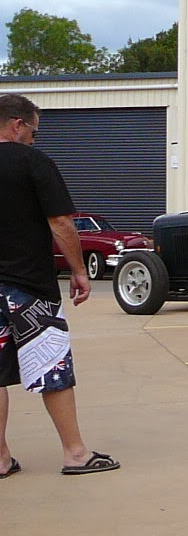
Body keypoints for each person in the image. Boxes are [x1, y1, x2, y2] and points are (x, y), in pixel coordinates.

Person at [0, 93, 120, 478]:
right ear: (17, 125)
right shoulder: (33, 162)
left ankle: (0, 460)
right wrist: (80, 271)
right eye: (34, 132)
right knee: (51, 365)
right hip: (29, 286)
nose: (35, 139)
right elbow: (61, 223)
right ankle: (75, 453)